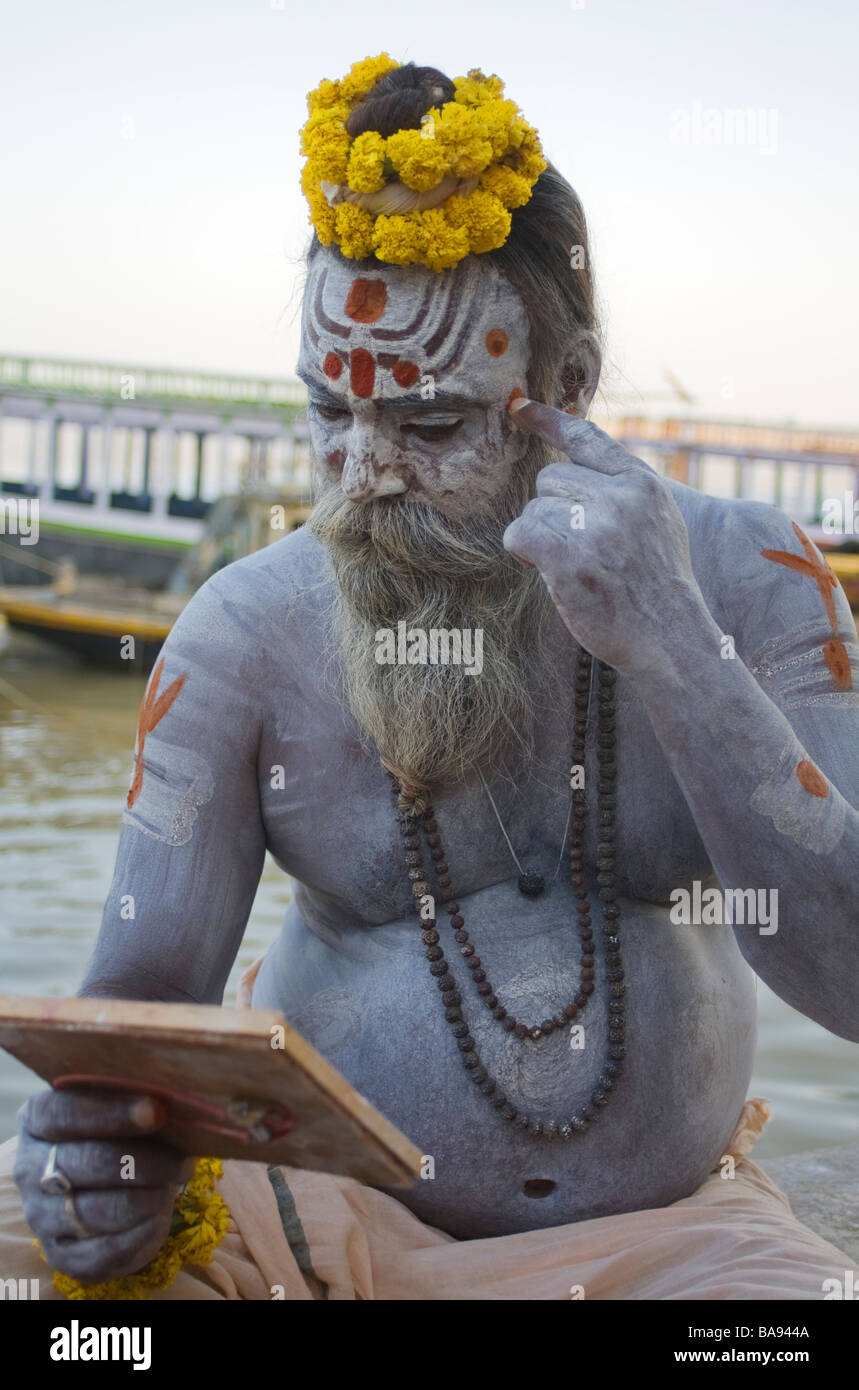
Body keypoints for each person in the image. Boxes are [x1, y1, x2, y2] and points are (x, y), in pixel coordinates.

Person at [2, 55, 857, 1301]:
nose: (361, 477)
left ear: (567, 388)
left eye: (432, 426)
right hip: (292, 1223)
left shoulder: (752, 578)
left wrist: (675, 644)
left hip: (673, 1244)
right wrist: (94, 1172)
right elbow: (134, 1008)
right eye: (327, 414)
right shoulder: (242, 631)